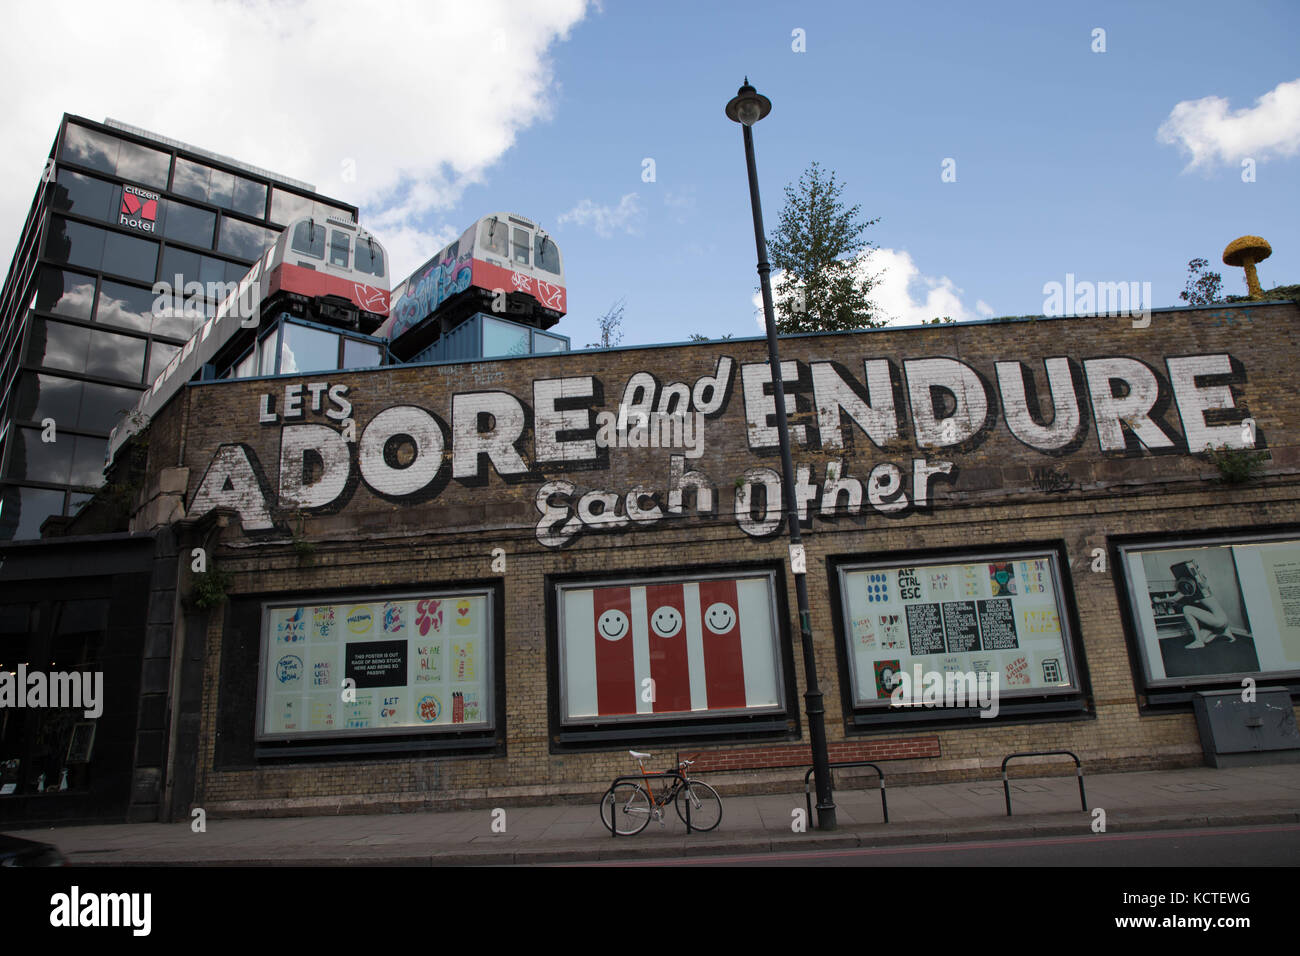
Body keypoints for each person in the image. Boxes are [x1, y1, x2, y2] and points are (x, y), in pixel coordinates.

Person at [1172, 560, 1235, 649]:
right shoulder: (1204, 588)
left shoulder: (1194, 588)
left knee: (1186, 609)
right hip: (1224, 621)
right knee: (1205, 639)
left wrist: (1160, 600)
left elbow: (1174, 598)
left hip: (1218, 621)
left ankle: (1198, 641)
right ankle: (1223, 632)